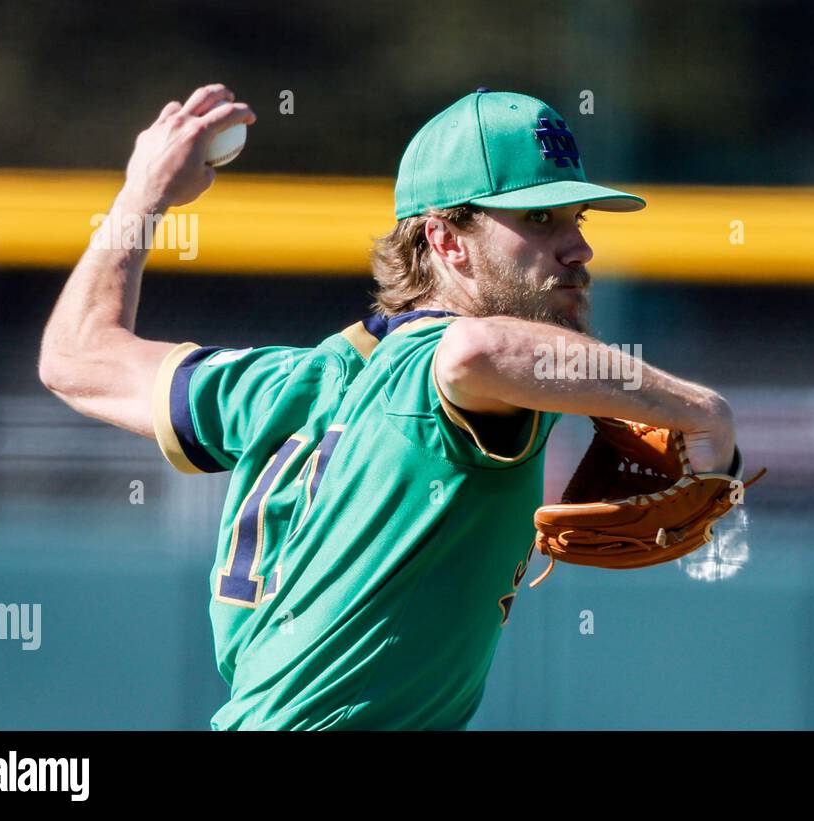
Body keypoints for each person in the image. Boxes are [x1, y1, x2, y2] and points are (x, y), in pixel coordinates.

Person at [38, 84, 737, 729]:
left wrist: (141, 197)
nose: (578, 245)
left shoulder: (290, 382)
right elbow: (474, 353)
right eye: (539, 217)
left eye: (576, 217)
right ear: (444, 240)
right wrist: (700, 410)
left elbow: (76, 357)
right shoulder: (450, 374)